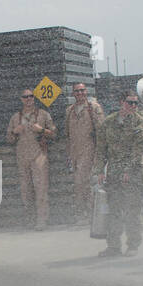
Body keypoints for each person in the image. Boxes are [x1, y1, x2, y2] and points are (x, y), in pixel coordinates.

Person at [93, 89, 143, 257]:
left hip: (133, 172)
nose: (133, 106)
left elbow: (138, 149)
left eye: (135, 103)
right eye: (130, 102)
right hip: (113, 172)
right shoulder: (109, 122)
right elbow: (101, 149)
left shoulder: (139, 123)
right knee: (114, 210)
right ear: (121, 102)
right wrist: (99, 170)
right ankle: (113, 246)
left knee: (133, 210)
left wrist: (128, 169)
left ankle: (133, 244)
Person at [6, 89, 56, 230]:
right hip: (22, 158)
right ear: (21, 99)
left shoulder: (43, 114)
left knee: (41, 189)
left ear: (34, 98)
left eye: (31, 96)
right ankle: (29, 219)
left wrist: (41, 130)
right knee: (26, 191)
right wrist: (15, 132)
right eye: (25, 97)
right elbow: (8, 139)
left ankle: (42, 220)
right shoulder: (15, 117)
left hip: (38, 156)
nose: (28, 99)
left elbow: (53, 134)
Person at [64, 82, 104, 222]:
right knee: (79, 184)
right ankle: (83, 213)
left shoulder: (93, 108)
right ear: (73, 93)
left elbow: (101, 131)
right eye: (77, 91)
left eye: (82, 90)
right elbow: (67, 134)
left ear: (86, 92)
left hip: (89, 150)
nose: (80, 93)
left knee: (84, 182)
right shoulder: (70, 111)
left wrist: (99, 153)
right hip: (75, 152)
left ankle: (89, 213)